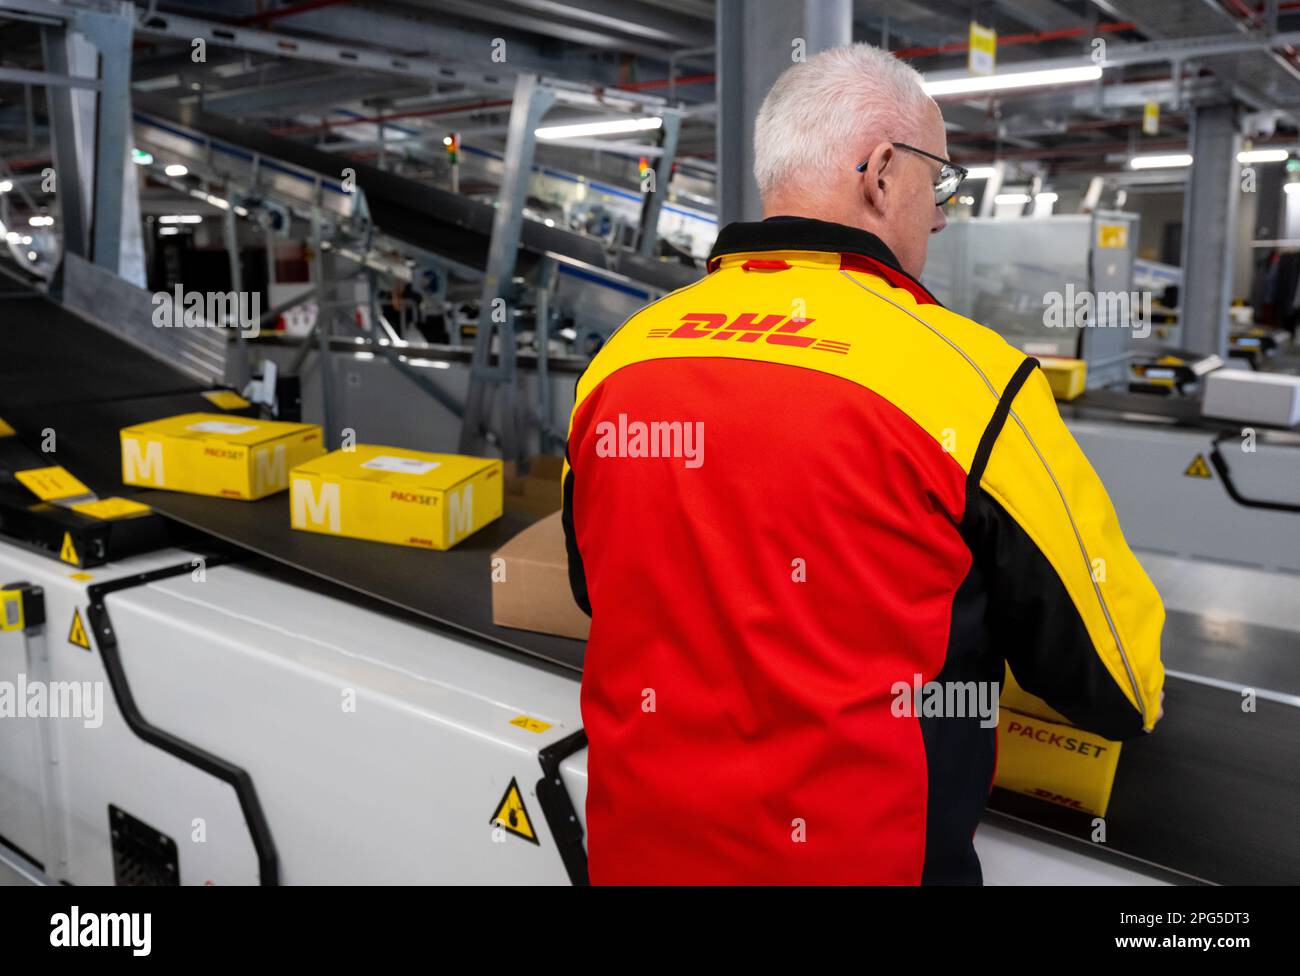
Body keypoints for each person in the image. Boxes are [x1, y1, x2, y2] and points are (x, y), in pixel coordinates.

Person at [561, 43, 1165, 884]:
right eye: (939, 182)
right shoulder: (970, 379)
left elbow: (601, 589)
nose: (943, 214)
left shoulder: (622, 359)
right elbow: (1118, 687)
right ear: (882, 172)